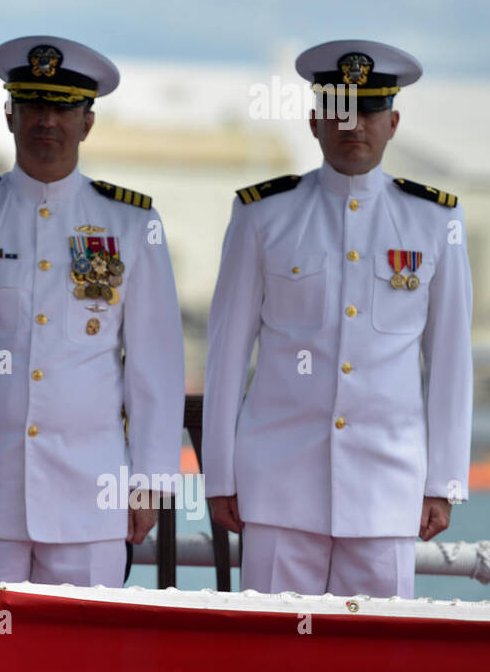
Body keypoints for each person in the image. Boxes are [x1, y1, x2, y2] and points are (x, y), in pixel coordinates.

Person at [203, 39, 473, 598]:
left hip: (389, 491)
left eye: (368, 110)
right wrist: (222, 476)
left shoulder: (434, 221)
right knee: (272, 666)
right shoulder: (264, 214)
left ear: (392, 122)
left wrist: (443, 482)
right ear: (314, 121)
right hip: (277, 485)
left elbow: (450, 360)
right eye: (338, 109)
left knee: (379, 668)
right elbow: (227, 352)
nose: (354, 124)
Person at [0, 36, 185, 586]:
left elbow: (155, 363)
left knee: (87, 664)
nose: (47, 122)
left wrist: (149, 480)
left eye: (63, 108)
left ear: (87, 122)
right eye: (33, 105)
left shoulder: (131, 221)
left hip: (91, 493)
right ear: (10, 115)